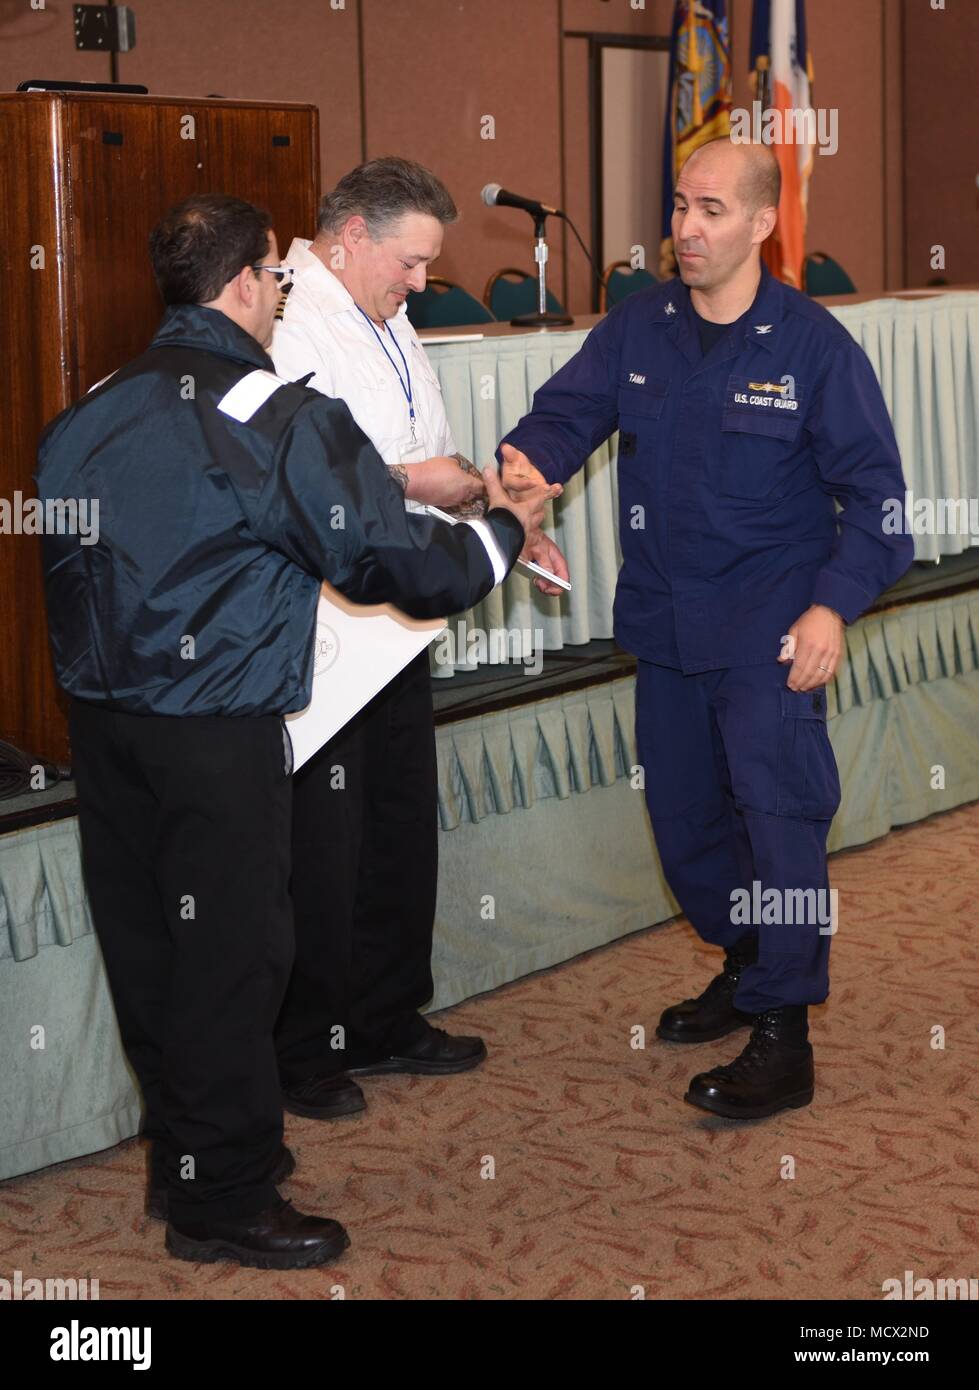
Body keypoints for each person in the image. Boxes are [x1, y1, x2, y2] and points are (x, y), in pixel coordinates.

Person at [35, 193, 548, 1268]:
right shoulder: (274, 412)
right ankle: (225, 1198)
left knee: (151, 955)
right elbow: (389, 560)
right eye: (274, 274)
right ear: (236, 288)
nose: (281, 289)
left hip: (103, 729)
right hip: (216, 729)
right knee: (231, 960)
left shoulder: (89, 404)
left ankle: (186, 1159)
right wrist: (499, 535)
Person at [499, 138, 914, 1120]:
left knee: (780, 828)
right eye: (679, 205)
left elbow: (882, 507)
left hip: (769, 635)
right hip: (665, 627)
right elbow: (561, 420)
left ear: (763, 224)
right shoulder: (639, 329)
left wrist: (830, 605)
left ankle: (786, 1031)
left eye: (712, 210)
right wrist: (525, 471)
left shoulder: (814, 348)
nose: (685, 227)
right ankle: (743, 960)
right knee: (687, 829)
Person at [270, 157, 567, 1120]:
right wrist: (413, 484)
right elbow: (309, 471)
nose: (418, 285)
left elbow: (417, 445)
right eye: (408, 263)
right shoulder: (286, 317)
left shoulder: (386, 312)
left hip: (401, 614)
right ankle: (305, 1051)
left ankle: (385, 1016)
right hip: (329, 626)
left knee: (397, 829)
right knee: (322, 846)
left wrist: (496, 513)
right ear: (350, 235)